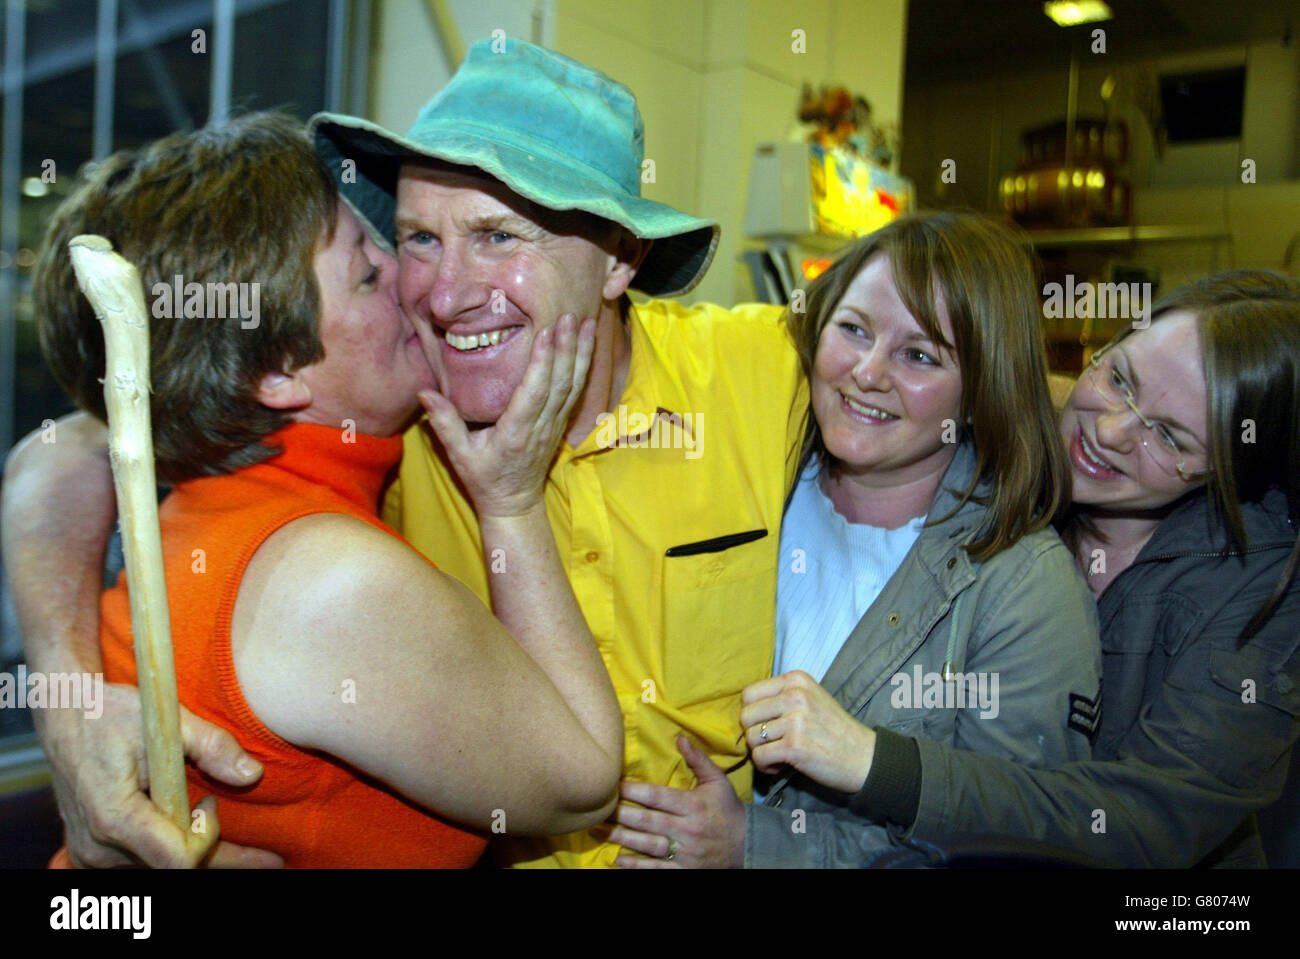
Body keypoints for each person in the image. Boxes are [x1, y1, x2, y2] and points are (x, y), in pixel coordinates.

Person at [3, 38, 806, 868]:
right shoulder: (382, 459)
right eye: (413, 242)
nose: (439, 294)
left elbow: (76, 445)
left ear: (619, 256)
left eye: (496, 236)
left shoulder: (774, 373)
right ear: (276, 371)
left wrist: (781, 844)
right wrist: (68, 706)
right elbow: (75, 446)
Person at [22, 111, 623, 867]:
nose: (417, 286)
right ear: (276, 375)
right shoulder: (329, 582)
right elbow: (584, 781)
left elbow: (57, 450)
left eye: (386, 241)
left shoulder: (210, 500)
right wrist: (512, 503)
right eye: (368, 274)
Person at [616, 269, 1300, 868]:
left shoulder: (1263, 598)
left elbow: (1141, 827)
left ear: (1230, 472)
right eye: (1118, 376)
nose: (1111, 430)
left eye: (1170, 435)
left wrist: (868, 763)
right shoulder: (1021, 456)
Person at [609, 211, 1103, 868]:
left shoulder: (1025, 587)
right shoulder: (759, 483)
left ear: (982, 391)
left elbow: (1023, 838)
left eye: (919, 355)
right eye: (853, 329)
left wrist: (755, 844)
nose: (868, 372)